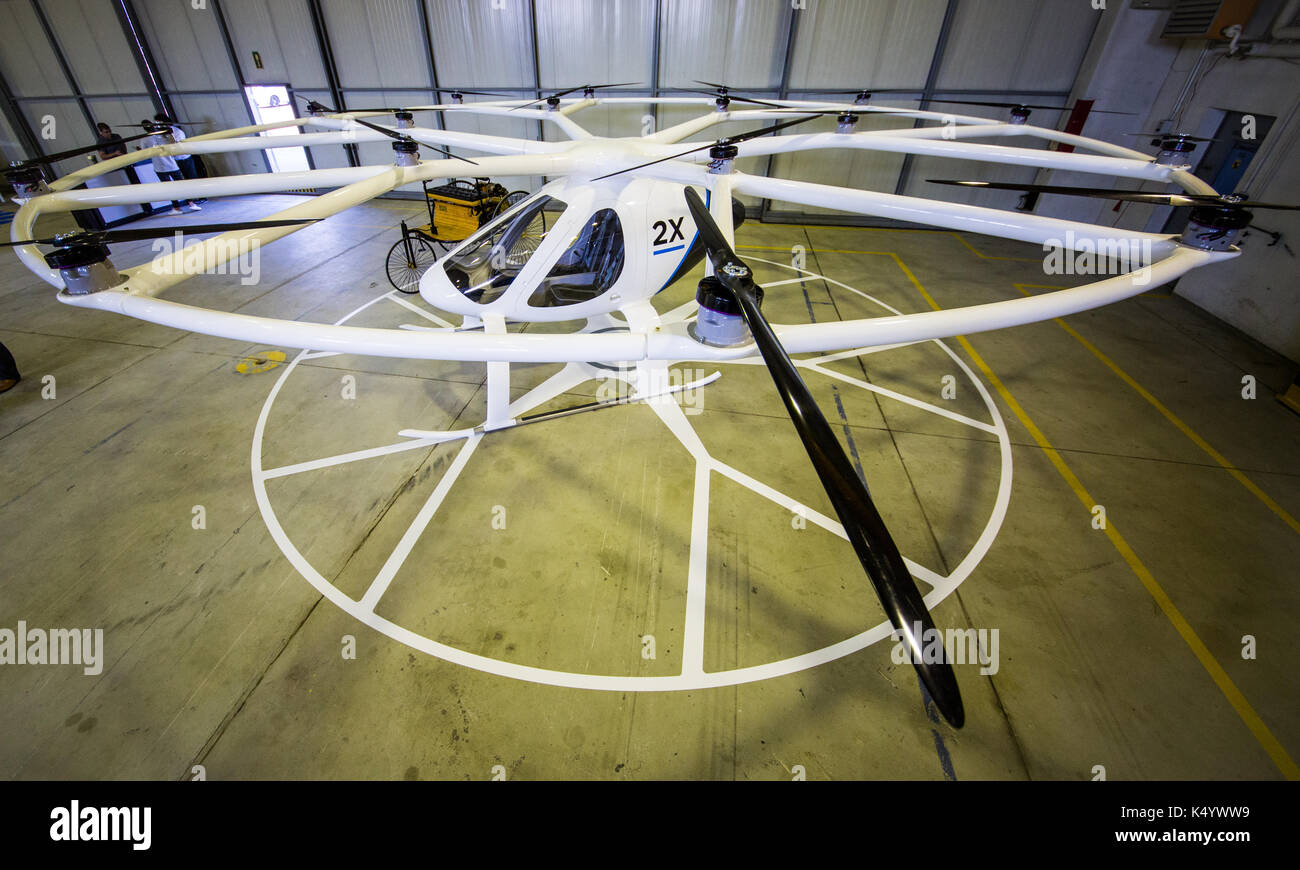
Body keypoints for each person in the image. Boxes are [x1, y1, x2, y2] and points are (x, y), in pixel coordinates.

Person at [143, 118, 200, 215]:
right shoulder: (162, 136)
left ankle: (177, 207)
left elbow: (144, 153)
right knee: (181, 186)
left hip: (161, 167)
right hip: (172, 165)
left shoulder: (146, 139)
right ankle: (191, 203)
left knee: (170, 189)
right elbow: (174, 146)